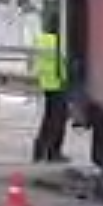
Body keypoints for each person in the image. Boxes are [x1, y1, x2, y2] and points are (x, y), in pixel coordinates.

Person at [31, 26, 70, 164]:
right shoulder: (60, 41)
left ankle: (39, 151)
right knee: (58, 119)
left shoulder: (42, 39)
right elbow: (63, 63)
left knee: (48, 118)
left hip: (47, 83)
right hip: (59, 84)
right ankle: (54, 153)